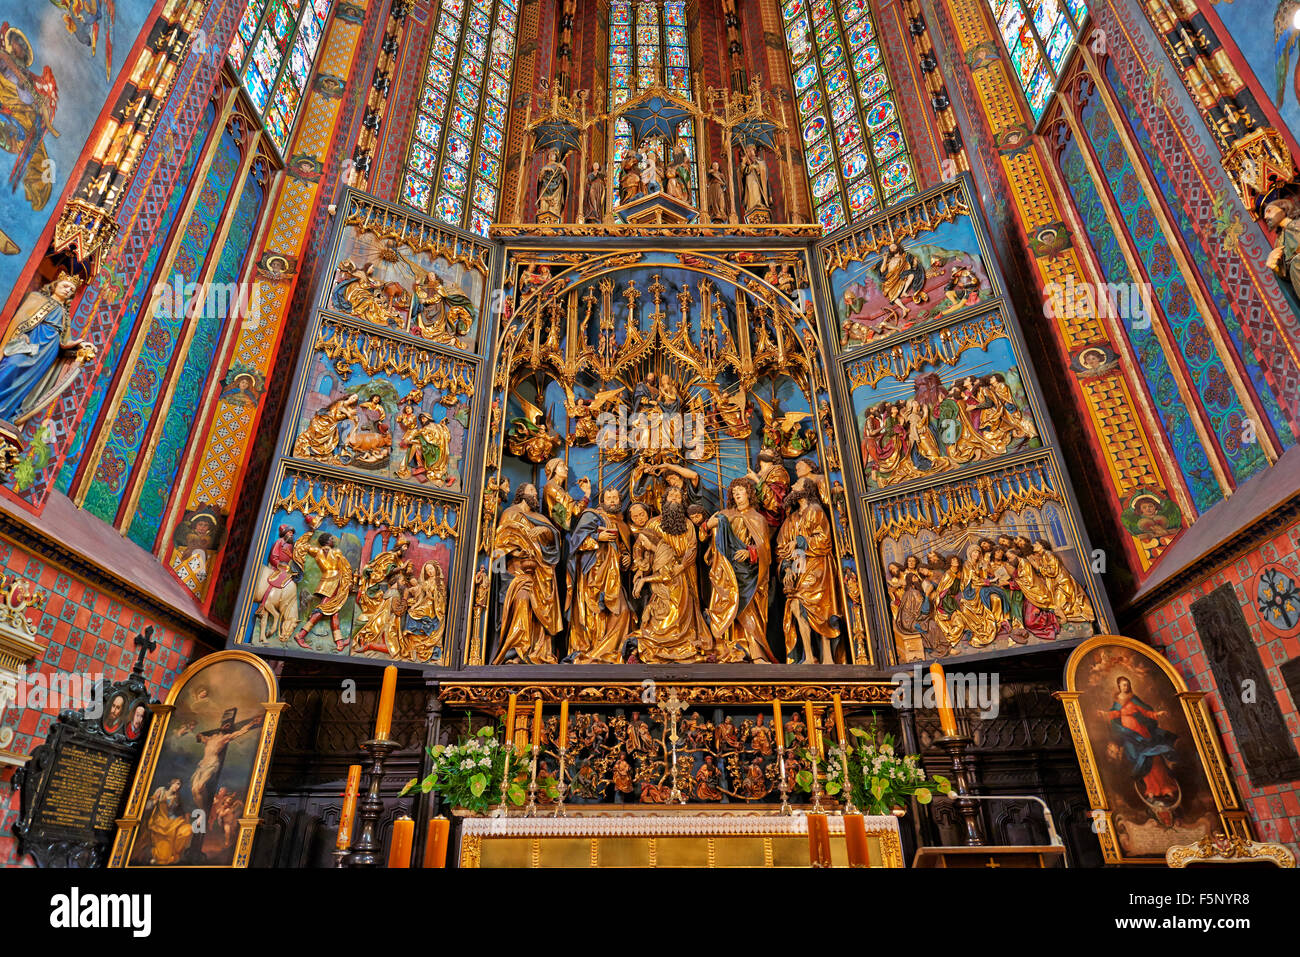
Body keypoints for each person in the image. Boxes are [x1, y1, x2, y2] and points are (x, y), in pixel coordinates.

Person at [0, 273, 92, 424]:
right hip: (32, 340)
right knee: (13, 364)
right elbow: (19, 319)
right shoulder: (37, 298)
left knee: (27, 381)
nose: (68, 290)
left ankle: (5, 411)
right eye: (65, 286)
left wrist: (80, 344)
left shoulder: (65, 315)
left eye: (72, 290)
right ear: (55, 285)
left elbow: (65, 341)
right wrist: (21, 334)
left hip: (48, 350)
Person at [491, 484, 563, 664]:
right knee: (523, 599)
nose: (535, 494)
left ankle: (538, 653)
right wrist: (516, 552)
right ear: (521, 493)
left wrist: (546, 531)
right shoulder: (510, 513)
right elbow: (499, 547)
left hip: (540, 571)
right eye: (531, 491)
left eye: (535, 491)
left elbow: (553, 543)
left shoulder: (540, 518)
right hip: (516, 571)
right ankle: (516, 652)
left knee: (542, 608)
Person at [706, 477, 773, 662]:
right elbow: (704, 531)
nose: (737, 494)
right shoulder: (725, 514)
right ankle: (730, 651)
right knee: (728, 607)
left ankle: (755, 652)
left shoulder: (757, 519)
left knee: (748, 608)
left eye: (741, 491)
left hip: (749, 573)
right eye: (734, 492)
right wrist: (708, 525)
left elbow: (765, 549)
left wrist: (750, 551)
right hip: (726, 570)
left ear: (749, 494)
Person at [566, 486, 633, 663]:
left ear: (620, 501)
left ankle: (607, 652)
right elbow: (575, 542)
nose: (612, 500)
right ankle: (593, 651)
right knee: (594, 614)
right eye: (608, 497)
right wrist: (597, 538)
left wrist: (626, 558)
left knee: (623, 611)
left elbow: (624, 549)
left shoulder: (623, 525)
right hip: (593, 573)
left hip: (614, 575)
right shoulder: (592, 515)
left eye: (615, 497)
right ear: (602, 501)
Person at [290, 518, 355, 650]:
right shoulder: (336, 552)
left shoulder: (316, 551)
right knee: (324, 608)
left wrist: (310, 531)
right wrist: (348, 582)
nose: (333, 540)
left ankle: (339, 641)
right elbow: (345, 568)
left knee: (334, 611)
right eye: (331, 538)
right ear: (328, 541)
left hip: (325, 581)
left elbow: (301, 545)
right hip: (335, 581)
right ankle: (301, 634)